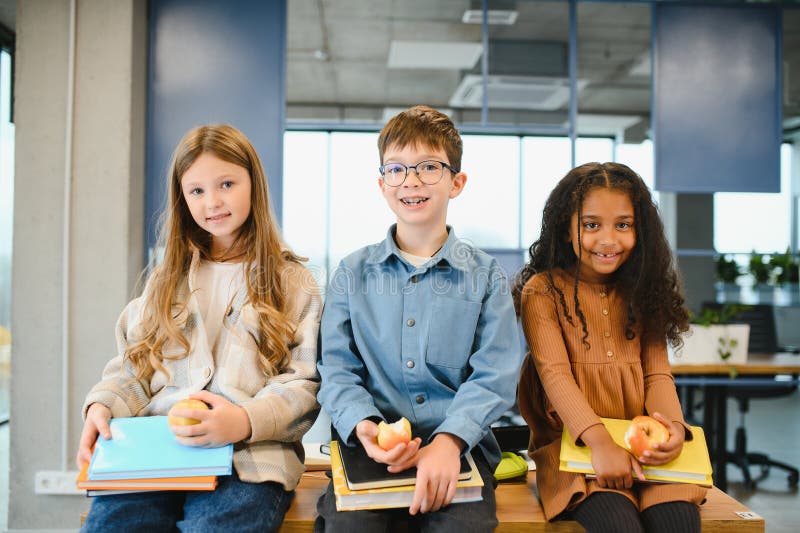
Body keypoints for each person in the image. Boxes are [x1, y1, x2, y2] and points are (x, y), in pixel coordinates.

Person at [76, 124, 321, 533]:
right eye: (197, 191)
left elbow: (303, 383)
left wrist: (243, 420)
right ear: (182, 198)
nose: (214, 201)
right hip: (156, 451)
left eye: (227, 183)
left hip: (251, 459)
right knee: (112, 525)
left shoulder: (293, 282)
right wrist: (103, 405)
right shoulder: (164, 280)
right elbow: (133, 368)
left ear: (253, 185)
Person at [315, 105, 523, 532]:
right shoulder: (352, 274)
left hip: (459, 450)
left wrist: (449, 441)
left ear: (457, 182)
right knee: (349, 528)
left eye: (429, 167)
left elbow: (495, 373)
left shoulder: (484, 275)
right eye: (397, 169)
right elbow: (336, 369)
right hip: (372, 451)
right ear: (382, 184)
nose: (411, 180)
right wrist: (366, 427)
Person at [513, 162, 706, 533]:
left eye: (623, 225)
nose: (608, 239)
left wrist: (675, 429)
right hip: (577, 450)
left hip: (645, 450)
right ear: (566, 229)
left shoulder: (644, 289)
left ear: (640, 230)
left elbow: (657, 373)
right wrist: (600, 443)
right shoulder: (542, 291)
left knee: (679, 525)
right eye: (591, 225)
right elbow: (555, 376)